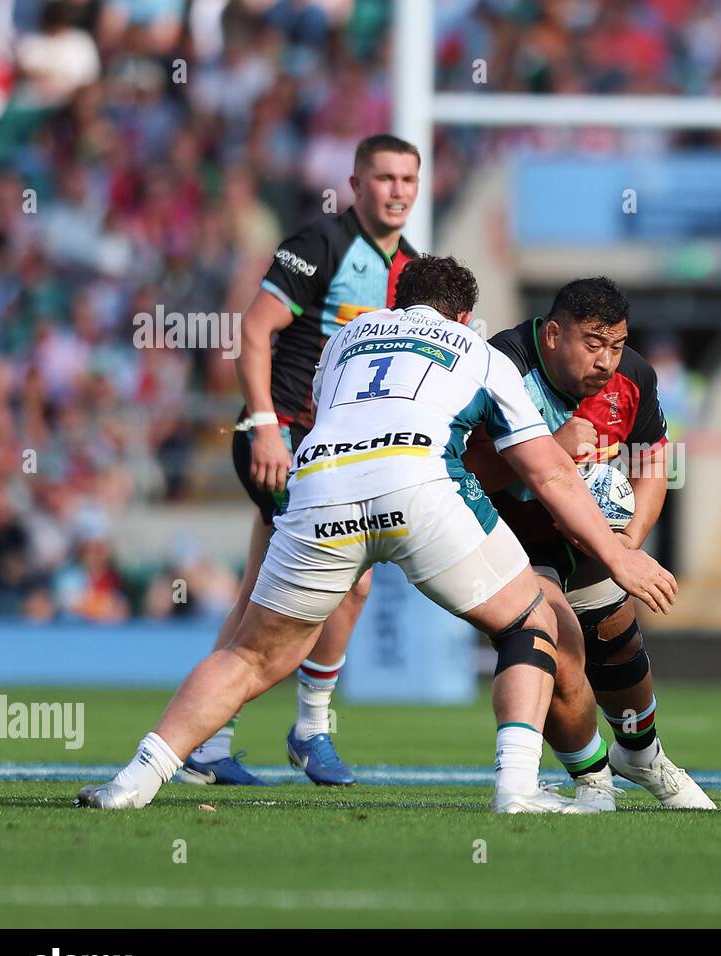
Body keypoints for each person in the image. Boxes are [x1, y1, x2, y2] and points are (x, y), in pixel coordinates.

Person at [76, 255, 677, 814]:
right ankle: (516, 787)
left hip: (320, 485)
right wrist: (619, 559)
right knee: (531, 621)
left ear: (395, 300)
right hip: (420, 486)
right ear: (465, 318)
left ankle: (135, 778)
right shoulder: (482, 352)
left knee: (252, 656)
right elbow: (546, 470)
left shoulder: (344, 339)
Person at [184, 134, 420, 788]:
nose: (397, 191)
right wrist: (263, 427)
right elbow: (255, 331)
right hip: (284, 441)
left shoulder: (414, 271)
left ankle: (208, 742)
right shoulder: (319, 244)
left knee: (262, 594)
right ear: (355, 183)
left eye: (408, 179)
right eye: (384, 178)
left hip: (341, 456)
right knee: (352, 578)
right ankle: (311, 728)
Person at [463, 278, 714, 809]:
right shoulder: (499, 366)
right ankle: (592, 778)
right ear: (553, 334)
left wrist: (628, 540)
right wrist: (551, 449)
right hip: (510, 535)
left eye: (616, 345)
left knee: (619, 637)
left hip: (588, 532)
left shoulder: (635, 376)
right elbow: (459, 472)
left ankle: (643, 756)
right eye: (593, 344)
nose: (607, 360)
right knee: (557, 645)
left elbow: (652, 459)